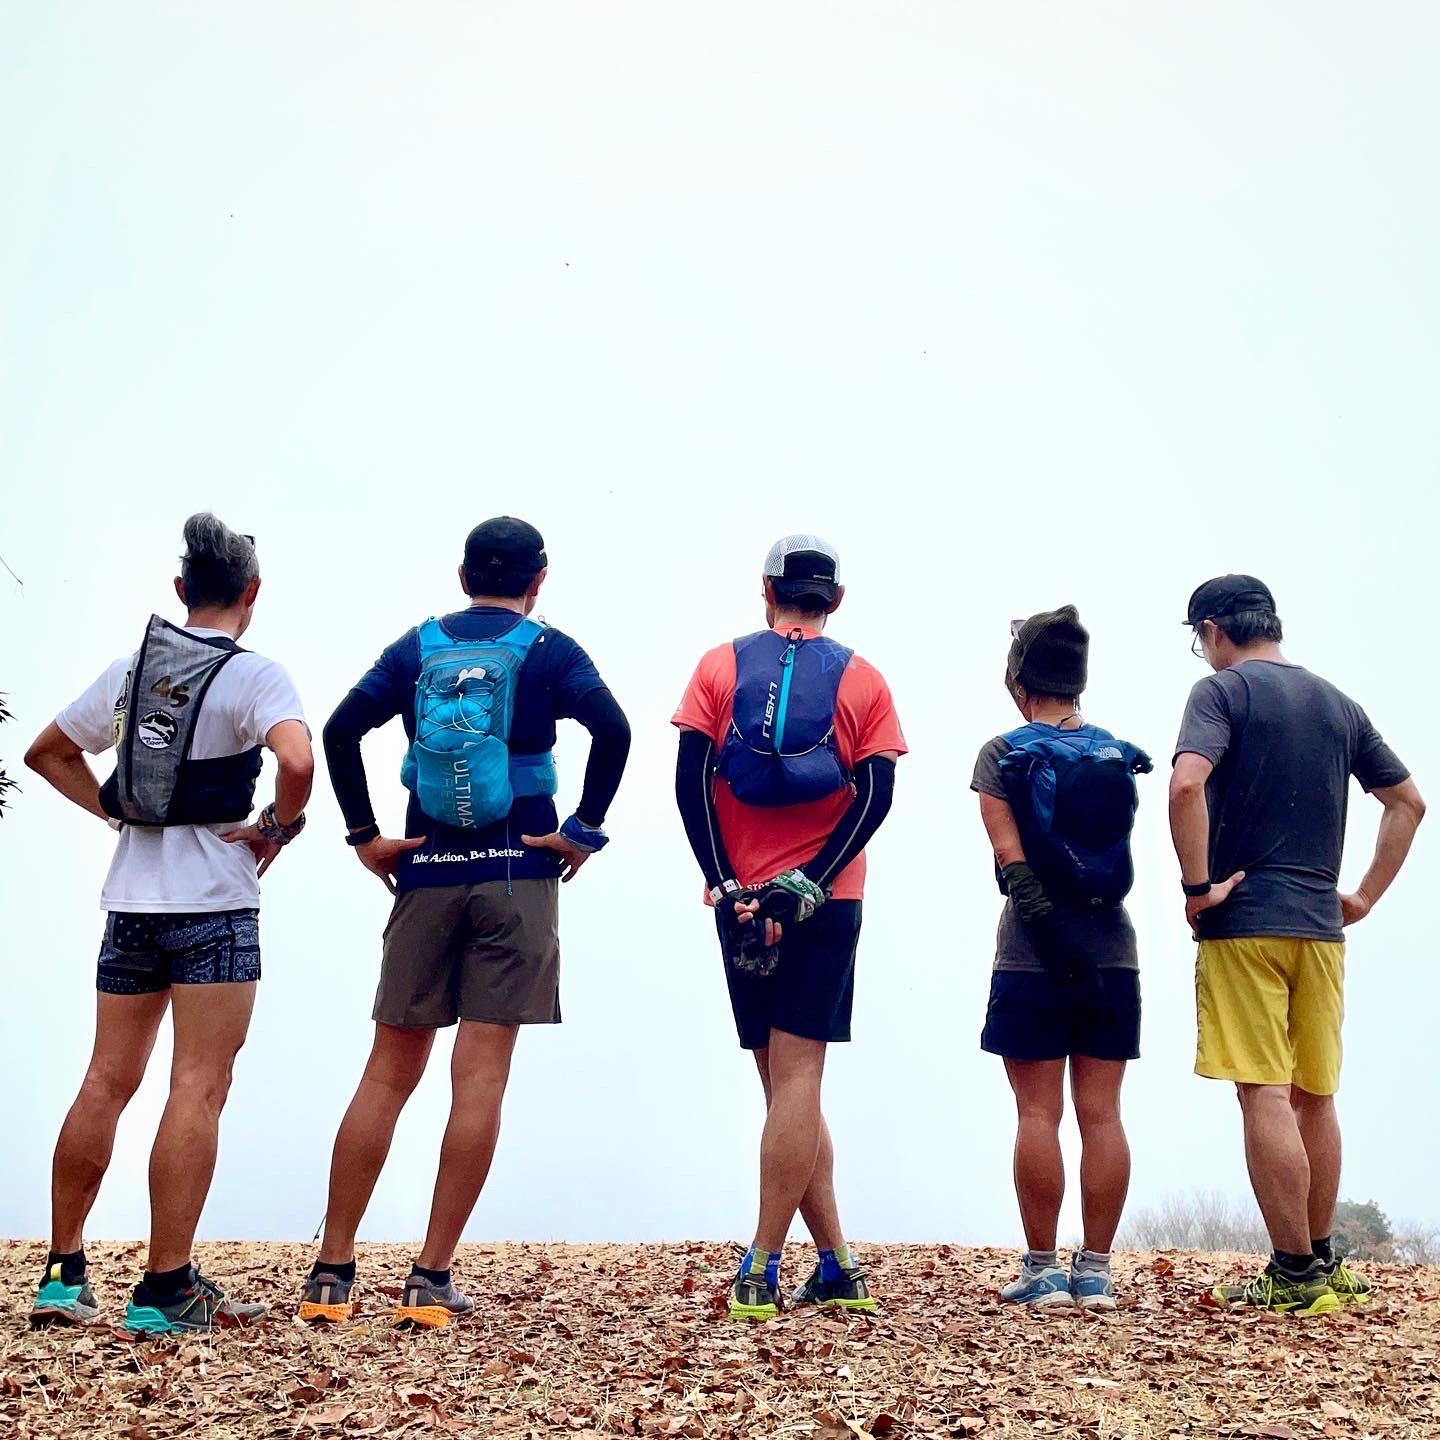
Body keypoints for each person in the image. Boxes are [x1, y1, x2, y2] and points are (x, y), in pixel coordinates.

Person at [301, 516, 630, 1329]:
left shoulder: (418, 646)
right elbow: (614, 730)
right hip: (519, 875)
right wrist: (582, 830)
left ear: (461, 576)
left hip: (426, 869)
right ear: (538, 579)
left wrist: (365, 836)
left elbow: (341, 730)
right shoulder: (551, 649)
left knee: (387, 1071)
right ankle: (428, 1280)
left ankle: (330, 1278)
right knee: (477, 1078)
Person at [25, 514, 312, 1333]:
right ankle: (164, 1287)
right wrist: (277, 830)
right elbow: (297, 763)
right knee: (197, 1085)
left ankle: (62, 1275)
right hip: (215, 907)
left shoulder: (130, 671)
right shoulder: (258, 678)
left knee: (104, 1080)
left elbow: (47, 751)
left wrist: (114, 814)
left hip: (131, 908)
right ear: (251, 594)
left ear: (181, 591)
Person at [1171, 575, 1424, 1315]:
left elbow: (1186, 786)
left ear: (1215, 629)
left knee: (1265, 1091)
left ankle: (1291, 1272)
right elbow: (1408, 801)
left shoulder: (1221, 695)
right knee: (1317, 1092)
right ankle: (1320, 1262)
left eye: (1198, 638)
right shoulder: (1337, 703)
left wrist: (1196, 888)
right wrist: (1365, 894)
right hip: (1321, 925)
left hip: (1245, 921)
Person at [672, 535, 906, 1321]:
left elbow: (688, 786)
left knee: (782, 1082)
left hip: (739, 900)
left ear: (766, 590)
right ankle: (812, 1265)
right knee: (794, 1084)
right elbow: (875, 797)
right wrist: (809, 884)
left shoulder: (718, 667)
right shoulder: (864, 679)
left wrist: (730, 883)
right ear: (834, 599)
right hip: (827, 900)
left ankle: (781, 1266)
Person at [973, 607, 1151, 1311]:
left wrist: (1048, 932)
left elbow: (1011, 861)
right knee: (1103, 1114)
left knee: (1037, 1114)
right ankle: (1098, 1272)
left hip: (1030, 953)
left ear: (1020, 681)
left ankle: (1043, 1270)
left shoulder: (1002, 753)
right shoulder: (1115, 754)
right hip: (1114, 949)